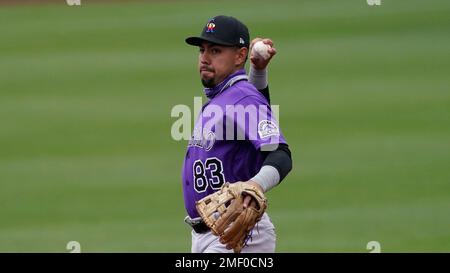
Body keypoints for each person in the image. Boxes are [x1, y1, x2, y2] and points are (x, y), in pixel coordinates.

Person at [182, 15, 292, 253]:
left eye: (215, 50)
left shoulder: (241, 98)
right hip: (209, 234)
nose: (204, 58)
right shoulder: (225, 98)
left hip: (236, 233)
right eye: (202, 50)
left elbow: (279, 154)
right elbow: (258, 119)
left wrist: (255, 186)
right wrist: (258, 72)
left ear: (240, 56)